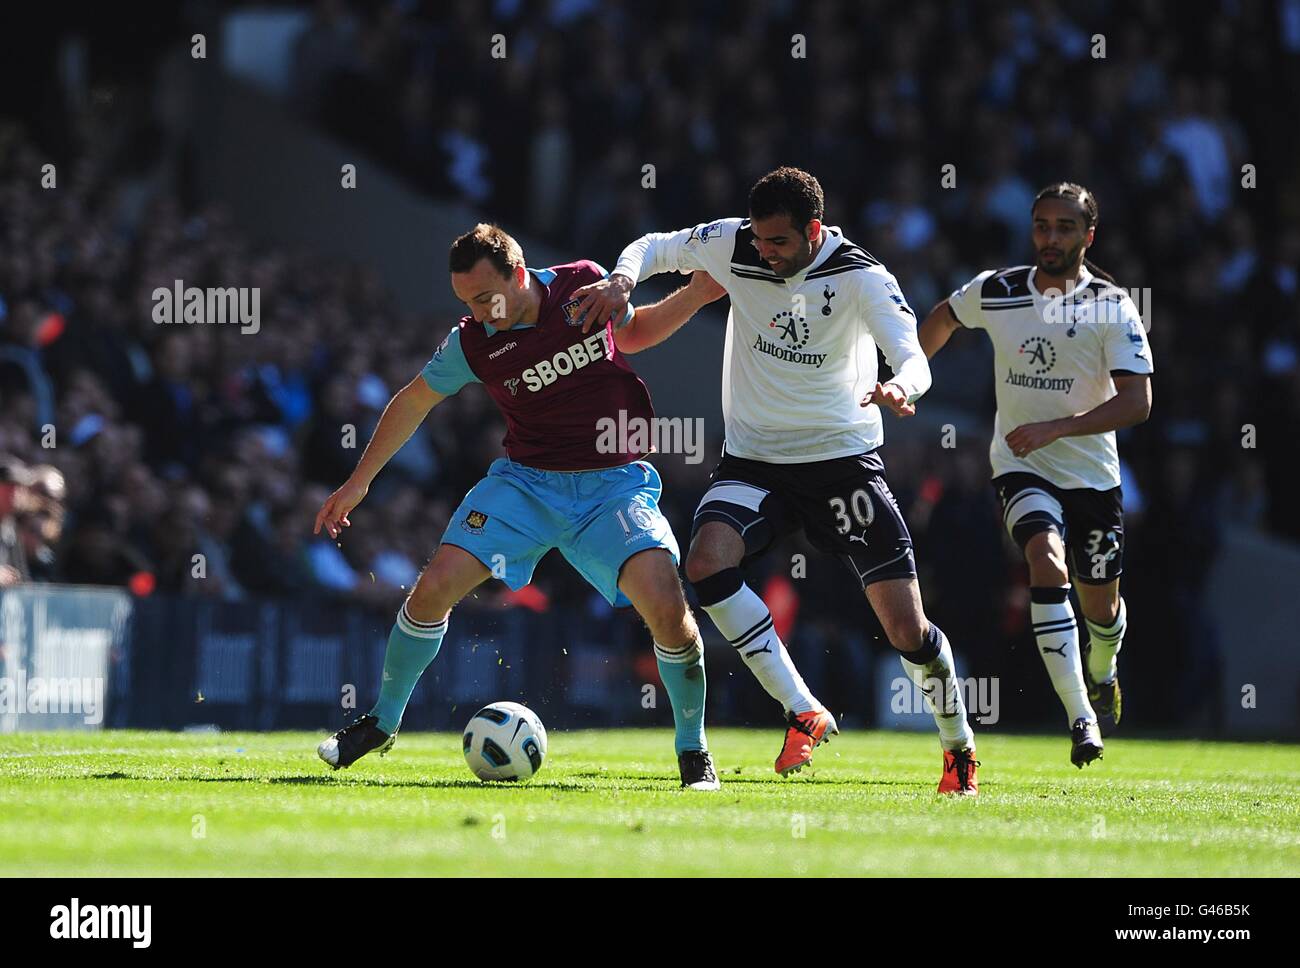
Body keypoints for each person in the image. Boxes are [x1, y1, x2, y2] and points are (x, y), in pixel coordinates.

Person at [574, 167, 980, 794]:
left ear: (814, 230)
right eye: (760, 240)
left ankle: (958, 745)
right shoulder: (735, 242)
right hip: (755, 459)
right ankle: (803, 709)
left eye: (779, 244)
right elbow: (653, 245)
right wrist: (624, 278)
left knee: (906, 629)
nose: (764, 253)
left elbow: (913, 356)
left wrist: (901, 387)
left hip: (841, 460)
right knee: (706, 564)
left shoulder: (861, 276)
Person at [314, 223, 727, 789]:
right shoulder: (473, 342)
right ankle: (381, 722)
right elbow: (412, 401)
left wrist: (699, 292)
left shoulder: (581, 287)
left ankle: (692, 752)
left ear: (520, 272)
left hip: (613, 487)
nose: (482, 314)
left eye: (488, 297)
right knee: (433, 587)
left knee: (668, 611)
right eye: (468, 303)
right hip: (524, 487)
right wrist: (358, 482)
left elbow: (632, 334)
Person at [917, 182, 1154, 767]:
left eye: (1065, 227)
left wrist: (1058, 427)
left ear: (1087, 236)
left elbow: (1137, 402)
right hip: (1021, 466)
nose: (1050, 237)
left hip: (1092, 476)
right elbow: (944, 318)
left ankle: (1103, 667)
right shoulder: (997, 289)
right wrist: (906, 374)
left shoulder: (1111, 305)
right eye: (1042, 225)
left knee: (1102, 608)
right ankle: (1080, 717)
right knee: (1044, 559)